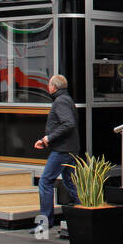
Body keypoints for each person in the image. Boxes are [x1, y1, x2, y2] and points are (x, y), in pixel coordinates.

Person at [33, 74, 80, 235]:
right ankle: (84, 208)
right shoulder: (67, 99)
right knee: (70, 182)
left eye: (49, 85)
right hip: (70, 148)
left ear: (53, 87)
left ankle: (44, 223)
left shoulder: (60, 102)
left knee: (45, 181)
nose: (48, 87)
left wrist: (48, 138)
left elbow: (68, 124)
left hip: (62, 149)